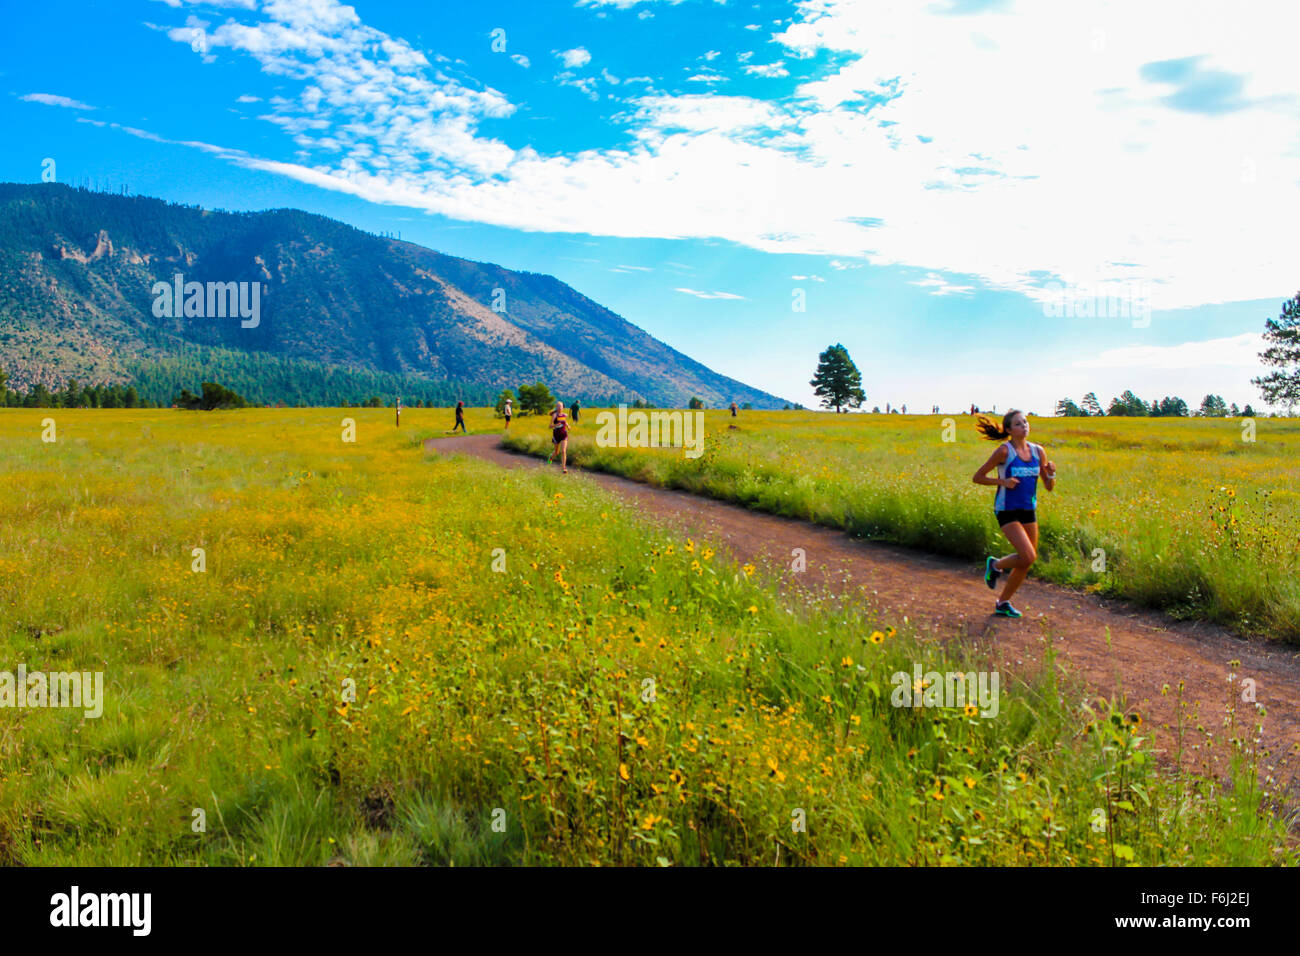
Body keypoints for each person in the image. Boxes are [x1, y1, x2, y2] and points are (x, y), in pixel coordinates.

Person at [971, 409, 1056, 618]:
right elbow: (978, 477)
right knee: (1028, 555)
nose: (1024, 426)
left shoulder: (1038, 452)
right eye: (1018, 424)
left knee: (1027, 561)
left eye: (1025, 422)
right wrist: (1003, 482)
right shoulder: (1004, 452)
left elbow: (1049, 486)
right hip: (1007, 509)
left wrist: (1052, 473)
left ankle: (1003, 601)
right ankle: (996, 565)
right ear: (1009, 429)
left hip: (1028, 510)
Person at [548, 400, 569, 473]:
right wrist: (555, 425)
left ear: (563, 407)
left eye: (561, 406)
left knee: (563, 451)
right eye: (558, 406)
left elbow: (564, 421)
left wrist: (568, 426)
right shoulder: (555, 415)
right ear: (556, 407)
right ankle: (550, 457)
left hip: (564, 434)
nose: (560, 407)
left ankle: (564, 468)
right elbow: (550, 426)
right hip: (556, 435)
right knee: (557, 452)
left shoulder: (564, 415)